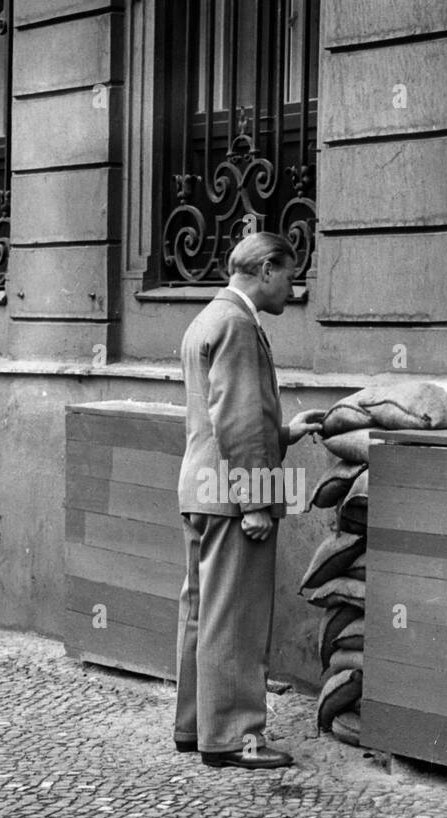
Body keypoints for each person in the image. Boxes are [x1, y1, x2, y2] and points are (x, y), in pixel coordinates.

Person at [174, 232, 325, 770]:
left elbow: (219, 420)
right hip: (233, 498)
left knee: (202, 614)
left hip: (201, 488)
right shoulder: (238, 325)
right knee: (235, 619)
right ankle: (235, 737)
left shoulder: (206, 319)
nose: (295, 286)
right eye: (291, 274)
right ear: (266, 269)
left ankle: (195, 726)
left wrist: (283, 432)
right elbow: (236, 419)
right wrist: (256, 501)